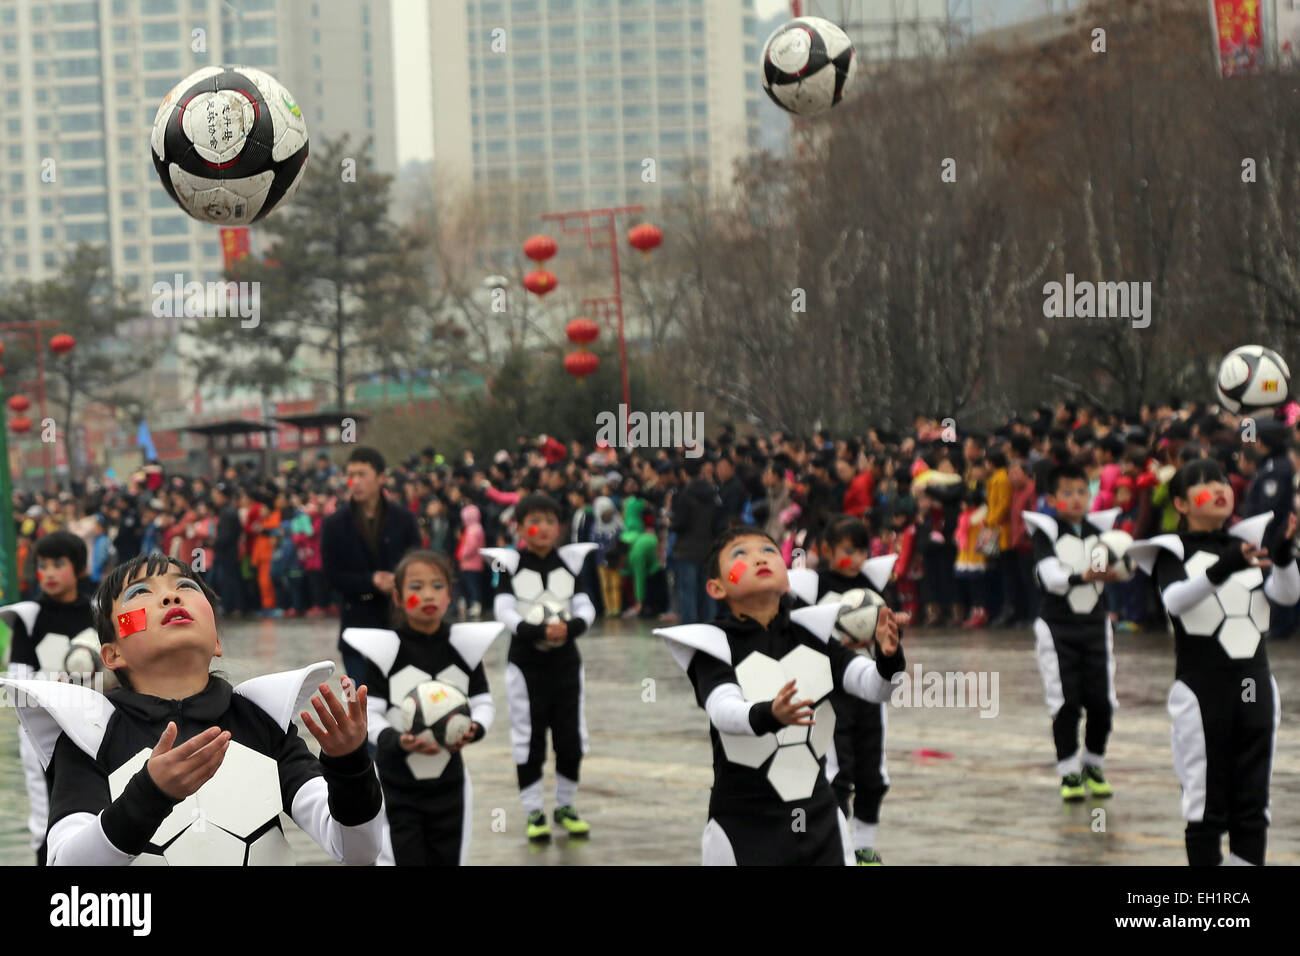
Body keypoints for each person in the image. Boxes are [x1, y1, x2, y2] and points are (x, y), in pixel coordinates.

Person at [0, 552, 384, 866]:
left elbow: (356, 850)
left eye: (185, 586)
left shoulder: (262, 719)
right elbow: (67, 864)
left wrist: (350, 765)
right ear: (111, 653)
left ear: (216, 640)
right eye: (139, 594)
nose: (170, 597)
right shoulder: (91, 732)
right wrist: (149, 795)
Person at [654, 526, 905, 865]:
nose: (758, 557)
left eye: (769, 551)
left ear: (787, 579)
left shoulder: (811, 633)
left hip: (818, 813)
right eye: (740, 555)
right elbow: (723, 709)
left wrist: (889, 659)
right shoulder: (713, 643)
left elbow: (874, 687)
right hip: (743, 821)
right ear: (716, 587)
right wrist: (769, 714)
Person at [1131, 459, 1298, 865]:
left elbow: (1287, 595)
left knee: (1253, 803)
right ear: (1181, 504)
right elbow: (1174, 600)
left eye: (1222, 481)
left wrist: (1283, 558)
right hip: (1202, 692)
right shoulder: (1173, 549)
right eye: (1204, 484)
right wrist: (1225, 567)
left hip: (1256, 686)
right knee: (1205, 805)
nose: (1219, 489)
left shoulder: (1246, 541)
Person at [343, 551, 501, 865]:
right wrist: (395, 739)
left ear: (450, 595)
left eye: (437, 586)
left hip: (449, 783)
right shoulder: (386, 650)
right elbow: (369, 713)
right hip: (395, 783)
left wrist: (476, 728)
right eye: (416, 587)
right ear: (399, 598)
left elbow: (483, 701)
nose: (428, 594)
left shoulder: (464, 647)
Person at [787, 515, 906, 865]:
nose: (855, 559)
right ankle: (837, 843)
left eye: (861, 551)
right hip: (828, 694)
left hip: (868, 690)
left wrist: (889, 639)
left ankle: (864, 845)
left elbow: (889, 634)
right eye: (847, 551)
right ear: (826, 550)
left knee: (874, 772)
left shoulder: (873, 584)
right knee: (836, 773)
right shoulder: (812, 588)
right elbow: (800, 636)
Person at [481, 493, 597, 842]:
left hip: (566, 664)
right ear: (519, 526)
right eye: (535, 520)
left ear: (559, 526)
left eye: (550, 521)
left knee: (570, 737)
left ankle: (565, 805)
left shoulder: (570, 563)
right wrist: (534, 631)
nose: (543, 528)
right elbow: (503, 609)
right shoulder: (509, 564)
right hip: (526, 667)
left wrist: (572, 627)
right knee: (528, 739)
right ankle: (533, 811)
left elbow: (585, 605)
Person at [1024, 464, 1123, 802]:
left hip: (1096, 625)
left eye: (1083, 491)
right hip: (1057, 628)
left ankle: (1094, 764)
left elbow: (1123, 565)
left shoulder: (1102, 531)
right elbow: (1051, 578)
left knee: (1102, 702)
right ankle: (1068, 771)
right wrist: (1087, 575)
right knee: (1066, 702)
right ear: (1051, 499)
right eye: (1067, 492)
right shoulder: (1046, 532)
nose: (1077, 498)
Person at [1, 531, 98, 864]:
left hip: (92, 723)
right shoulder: (28, 616)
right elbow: (18, 680)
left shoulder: (99, 611)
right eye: (43, 565)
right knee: (45, 810)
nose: (50, 573)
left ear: (79, 567)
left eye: (59, 564)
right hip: (42, 731)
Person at [321, 448, 421, 681]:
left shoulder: (404, 519)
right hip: (356, 625)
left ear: (380, 478)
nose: (354, 481)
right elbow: (331, 576)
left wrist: (398, 581)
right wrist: (371, 581)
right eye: (351, 475)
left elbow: (417, 565)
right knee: (365, 701)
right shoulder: (334, 524)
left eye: (362, 474)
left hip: (398, 622)